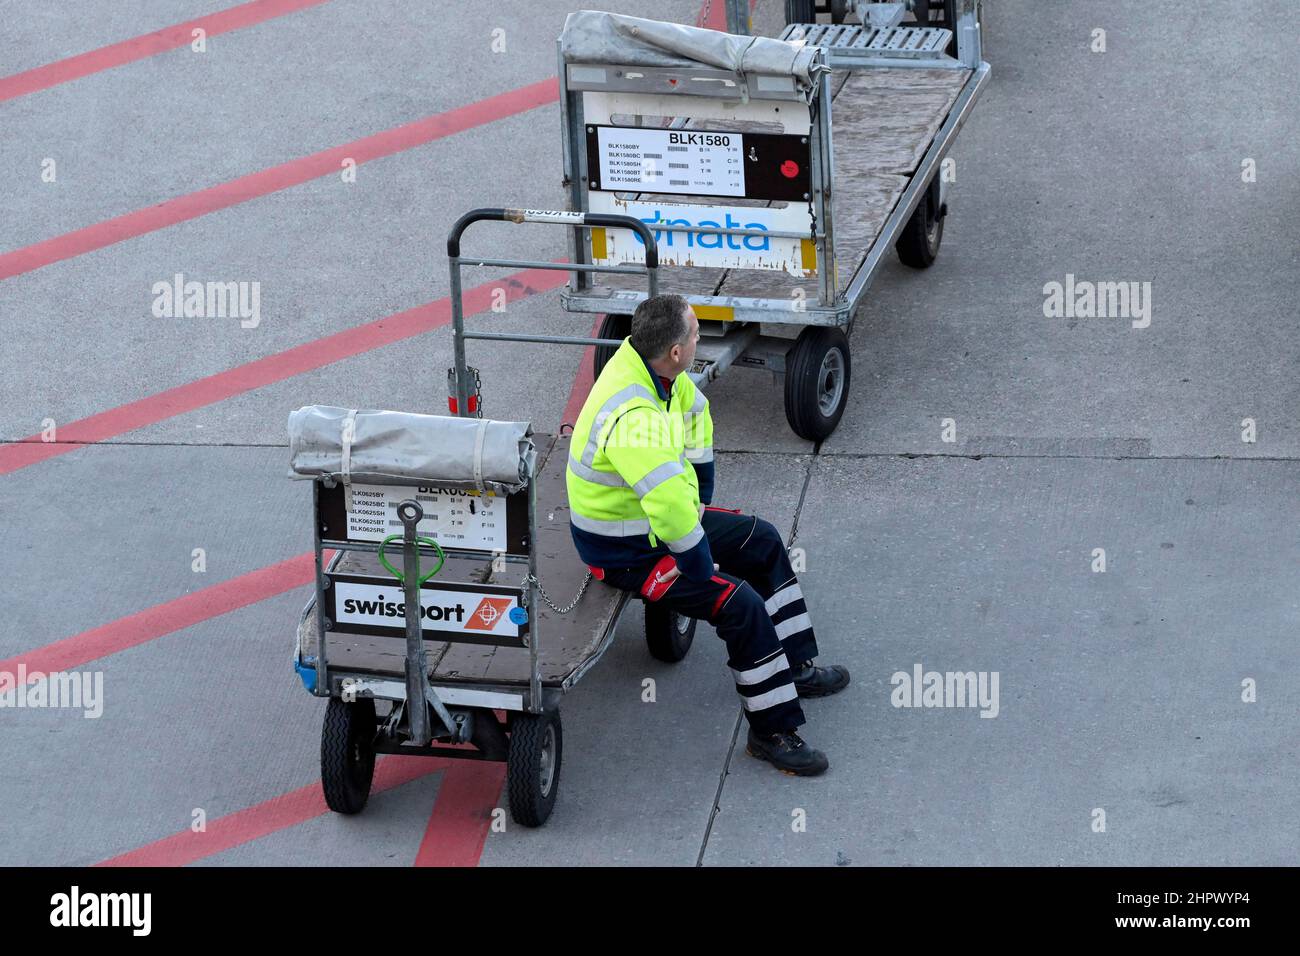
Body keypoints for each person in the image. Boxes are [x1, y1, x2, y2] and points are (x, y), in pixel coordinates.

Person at [565, 293, 850, 776]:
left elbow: (696, 414)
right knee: (739, 605)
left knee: (762, 540)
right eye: (696, 333)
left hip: (654, 525)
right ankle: (771, 732)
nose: (701, 338)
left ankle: (796, 667)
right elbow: (672, 513)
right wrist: (699, 567)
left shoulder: (654, 372)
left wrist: (703, 491)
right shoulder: (633, 416)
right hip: (625, 550)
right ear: (675, 351)